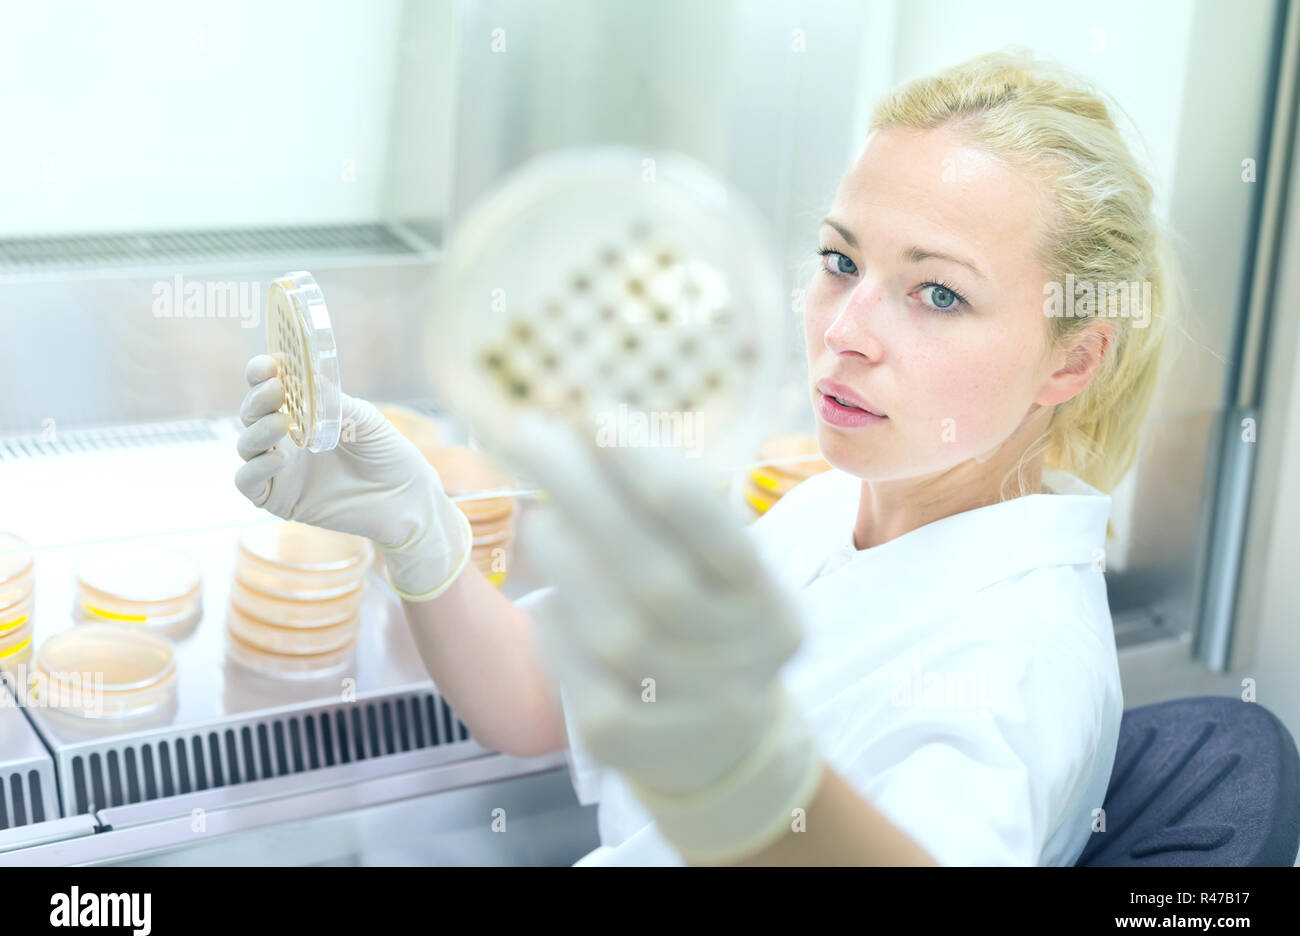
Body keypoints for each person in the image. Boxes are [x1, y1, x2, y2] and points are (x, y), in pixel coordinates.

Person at [234, 48, 1180, 865]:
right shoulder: (839, 509)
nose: (845, 331)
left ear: (1073, 358)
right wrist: (421, 533)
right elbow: (532, 698)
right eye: (842, 262)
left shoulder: (1017, 659)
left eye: (938, 295)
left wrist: (748, 773)